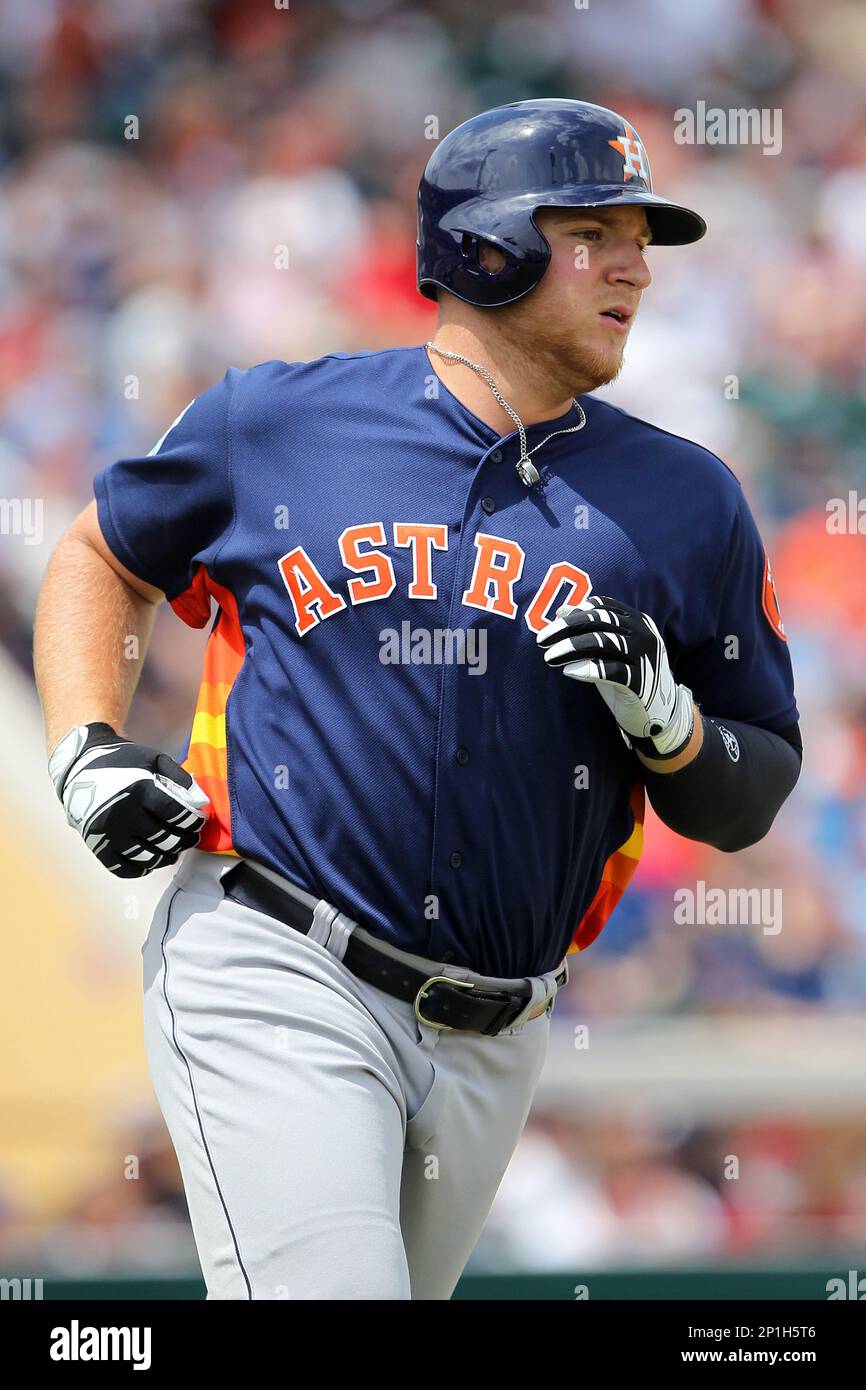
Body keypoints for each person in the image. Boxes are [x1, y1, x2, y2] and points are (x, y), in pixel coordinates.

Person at [33, 99, 802, 1300]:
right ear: (484, 246)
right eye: (594, 230)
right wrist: (85, 746)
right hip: (278, 962)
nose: (636, 267)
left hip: (495, 1028)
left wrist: (674, 729)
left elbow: (748, 795)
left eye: (640, 237)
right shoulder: (279, 422)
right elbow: (102, 556)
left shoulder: (684, 497)